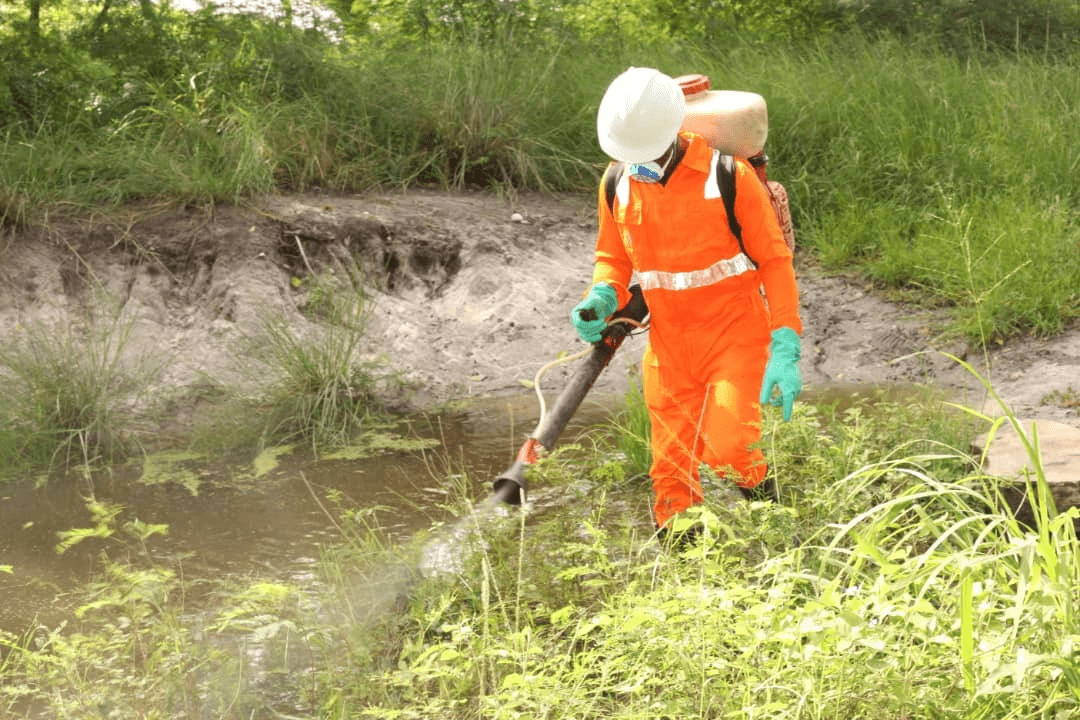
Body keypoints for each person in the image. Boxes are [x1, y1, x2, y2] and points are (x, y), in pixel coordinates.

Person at [571, 66, 803, 534]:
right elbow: (612, 257)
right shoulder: (616, 182)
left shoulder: (728, 177)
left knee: (730, 453)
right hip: (669, 348)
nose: (633, 162)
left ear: (670, 132)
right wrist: (602, 294)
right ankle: (685, 567)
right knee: (670, 477)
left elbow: (775, 262)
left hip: (735, 337)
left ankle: (784, 535)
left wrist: (785, 345)